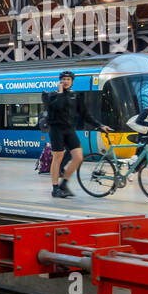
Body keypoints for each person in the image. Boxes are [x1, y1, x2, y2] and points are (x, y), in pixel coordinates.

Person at [45, 70, 110, 198]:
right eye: (63, 79)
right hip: (56, 129)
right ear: (60, 81)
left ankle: (64, 184)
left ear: (72, 82)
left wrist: (100, 125)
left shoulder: (75, 96)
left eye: (68, 79)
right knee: (58, 157)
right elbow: (57, 107)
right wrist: (60, 93)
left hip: (69, 129)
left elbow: (85, 114)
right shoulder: (51, 95)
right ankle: (55, 188)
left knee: (78, 157)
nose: (65, 81)